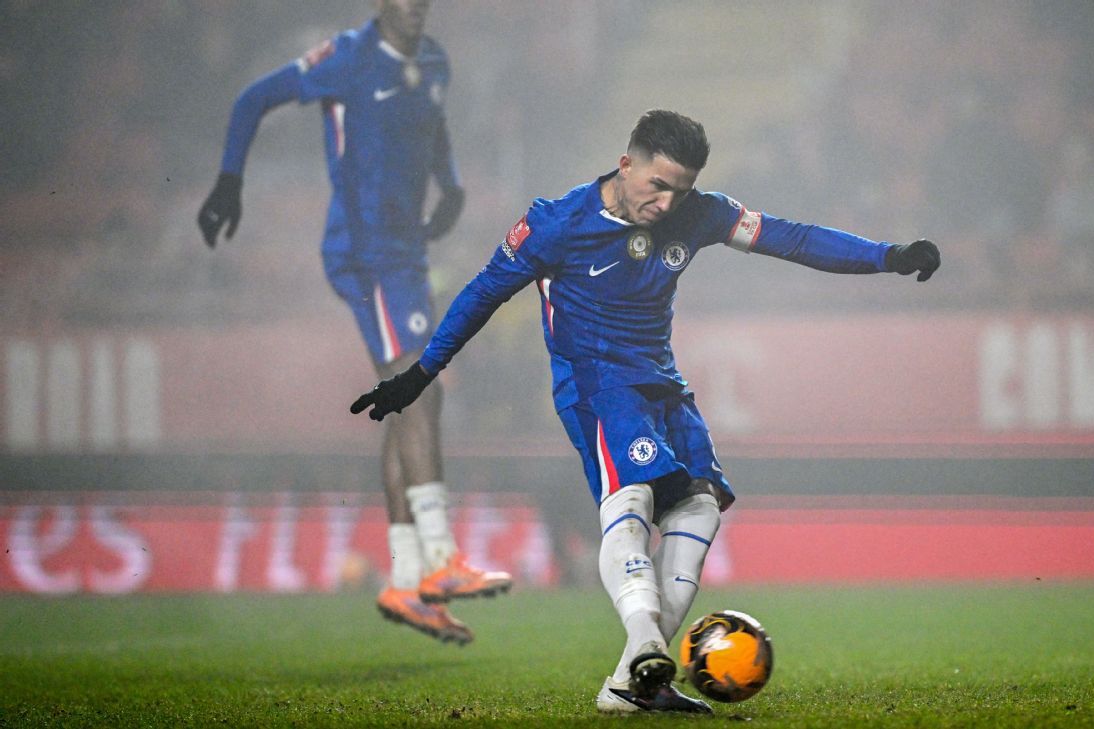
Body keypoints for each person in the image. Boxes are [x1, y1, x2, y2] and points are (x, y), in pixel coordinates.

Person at [350, 110, 940, 712]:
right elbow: (482, 294)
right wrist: (422, 373)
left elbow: (792, 238)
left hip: (663, 385)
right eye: (657, 185)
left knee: (701, 504)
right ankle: (645, 643)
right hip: (597, 387)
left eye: (679, 190)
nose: (666, 203)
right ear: (626, 163)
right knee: (630, 497)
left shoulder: (700, 212)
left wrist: (887, 256)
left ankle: (630, 685)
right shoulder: (555, 224)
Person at [197, 0, 509, 646]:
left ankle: (404, 577)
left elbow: (433, 123)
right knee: (418, 393)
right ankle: (441, 558)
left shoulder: (435, 61)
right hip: (366, 254)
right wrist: (230, 180)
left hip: (405, 255)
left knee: (410, 402)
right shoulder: (344, 57)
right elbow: (253, 98)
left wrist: (449, 186)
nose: (417, 4)